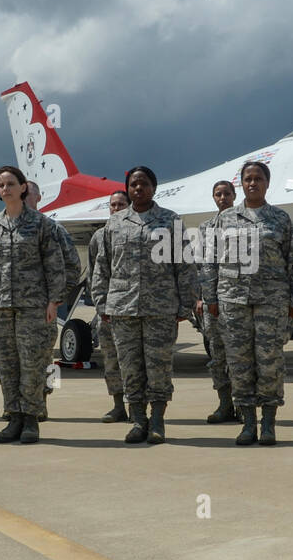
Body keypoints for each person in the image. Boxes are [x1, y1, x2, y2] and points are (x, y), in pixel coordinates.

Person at [91, 166, 196, 445]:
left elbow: (184, 265)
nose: (139, 188)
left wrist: (185, 304)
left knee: (159, 366)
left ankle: (158, 420)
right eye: (134, 184)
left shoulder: (170, 220)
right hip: (122, 307)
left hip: (160, 308)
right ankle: (138, 420)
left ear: (154, 187)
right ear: (128, 189)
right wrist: (102, 303)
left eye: (144, 183)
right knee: (130, 367)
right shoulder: (114, 224)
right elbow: (103, 266)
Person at [203, 161, 293, 445]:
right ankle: (248, 423)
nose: (252, 183)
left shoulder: (279, 219)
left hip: (271, 302)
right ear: (241, 184)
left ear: (267, 183)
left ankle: (269, 423)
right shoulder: (225, 220)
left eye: (258, 178)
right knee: (240, 363)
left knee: (270, 362)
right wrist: (210, 297)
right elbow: (210, 261)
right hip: (233, 302)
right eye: (247, 179)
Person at [0, 165, 66, 443]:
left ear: (23, 188)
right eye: (1, 185)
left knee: (32, 364)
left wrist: (54, 301)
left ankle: (31, 419)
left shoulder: (42, 225)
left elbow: (54, 265)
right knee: (7, 364)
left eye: (10, 184)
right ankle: (13, 417)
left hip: (33, 306)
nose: (5, 189)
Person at [25, 179, 80, 422]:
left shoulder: (53, 228)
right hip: (12, 308)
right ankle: (18, 404)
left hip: (42, 308)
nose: (24, 198)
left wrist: (57, 298)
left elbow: (73, 266)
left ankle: (45, 398)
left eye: (29, 194)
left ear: (38, 199)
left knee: (46, 358)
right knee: (14, 359)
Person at [197, 180, 239, 424]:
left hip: (237, 300)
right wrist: (201, 297)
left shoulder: (244, 225)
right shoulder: (205, 228)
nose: (222, 198)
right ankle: (225, 404)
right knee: (217, 356)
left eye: (226, 194)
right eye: (218, 194)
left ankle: (243, 404)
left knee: (240, 356)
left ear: (234, 196)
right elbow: (201, 265)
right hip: (212, 303)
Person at [89, 190, 130, 423]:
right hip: (108, 311)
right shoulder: (99, 236)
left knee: (134, 361)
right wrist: (100, 305)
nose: (116, 208)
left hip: (133, 308)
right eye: (113, 205)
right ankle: (117, 405)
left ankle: (136, 406)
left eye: (121, 204)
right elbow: (96, 272)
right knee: (111, 360)